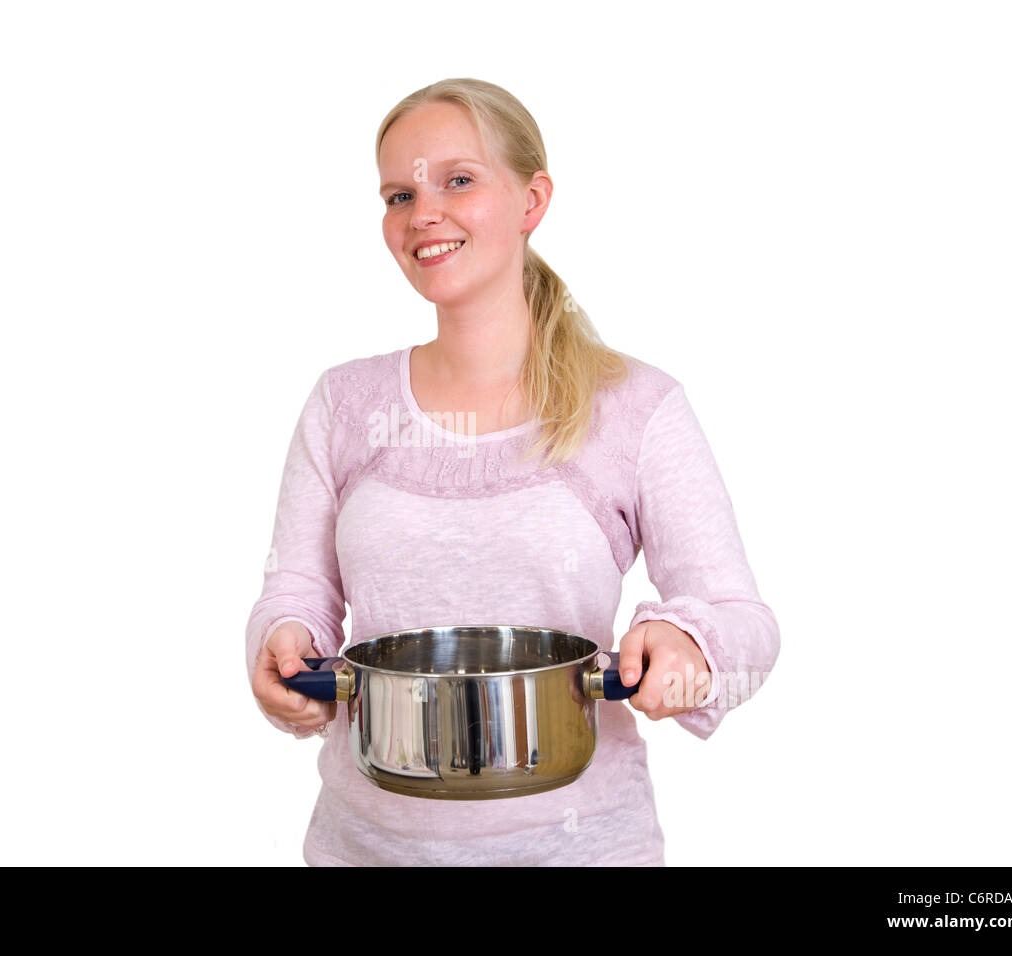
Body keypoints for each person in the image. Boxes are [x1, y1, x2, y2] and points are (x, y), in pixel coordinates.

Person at [245, 77, 780, 866]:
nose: (422, 212)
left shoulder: (637, 408)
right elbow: (296, 595)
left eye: (457, 179)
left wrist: (688, 645)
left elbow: (748, 627)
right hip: (364, 849)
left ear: (533, 200)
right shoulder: (343, 403)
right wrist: (282, 643)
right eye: (399, 193)